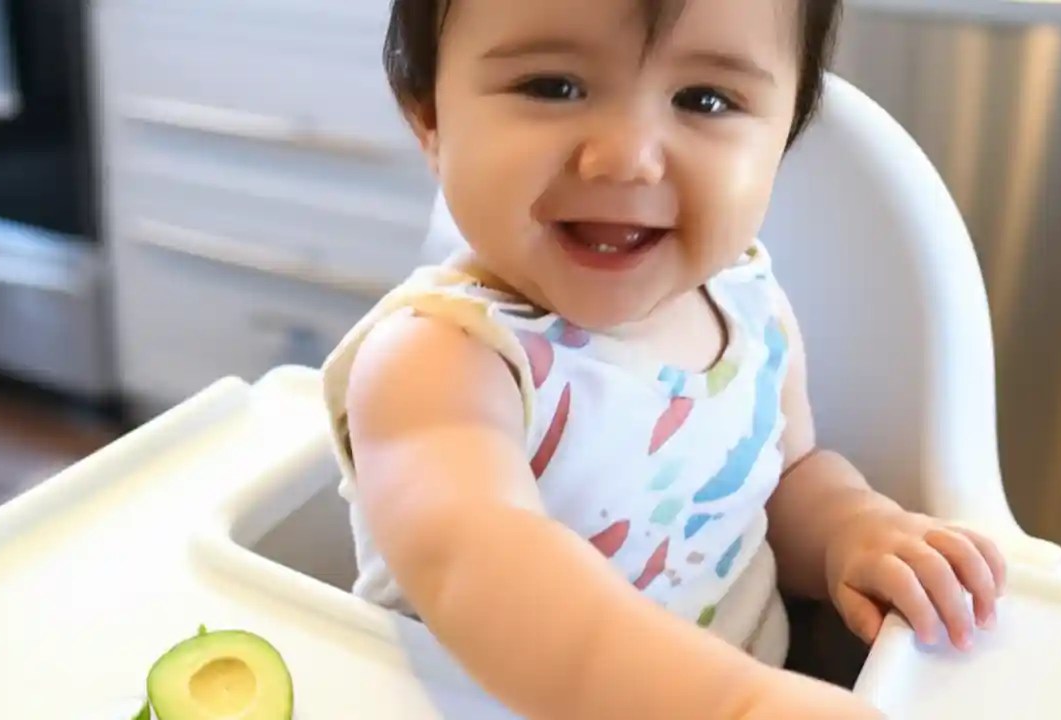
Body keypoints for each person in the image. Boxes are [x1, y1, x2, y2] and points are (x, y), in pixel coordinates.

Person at [322, 1, 1007, 717]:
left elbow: (783, 481)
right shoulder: (441, 359)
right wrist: (736, 705)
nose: (625, 156)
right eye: (553, 86)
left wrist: (850, 531)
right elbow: (481, 566)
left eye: (703, 100)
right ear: (429, 118)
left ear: (784, 139)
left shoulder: (748, 306)